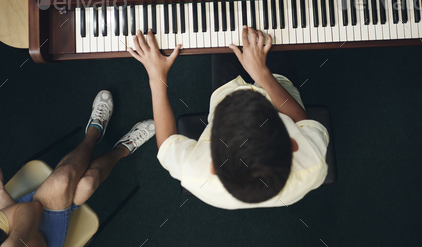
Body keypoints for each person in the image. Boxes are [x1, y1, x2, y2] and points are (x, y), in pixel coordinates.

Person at [128, 26, 329, 209]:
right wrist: (263, 75)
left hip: (224, 90)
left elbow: (166, 145)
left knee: (221, 29)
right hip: (278, 89)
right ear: (292, 144)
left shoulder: (195, 172)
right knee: (275, 30)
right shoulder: (313, 161)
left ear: (213, 166)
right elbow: (302, 121)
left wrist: (157, 77)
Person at [0, 91, 155, 247]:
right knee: (88, 181)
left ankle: (94, 133)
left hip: (18, 220)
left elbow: (32, 210)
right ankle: (122, 150)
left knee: (68, 180)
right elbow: (38, 238)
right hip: (43, 241)